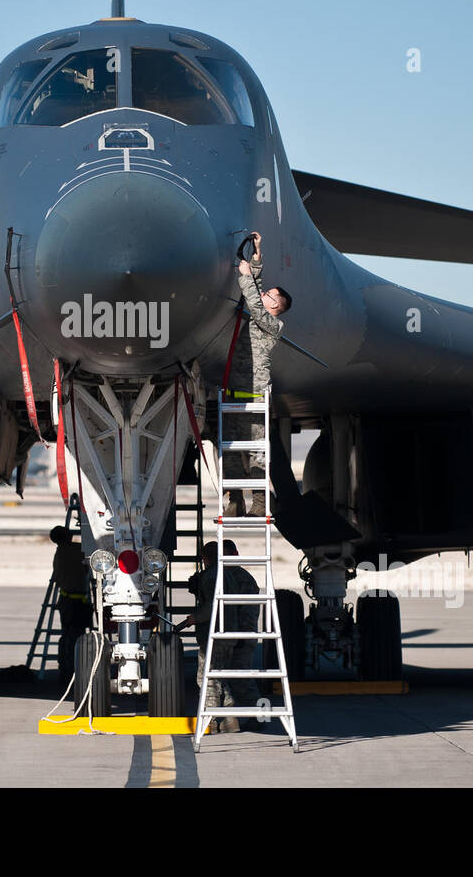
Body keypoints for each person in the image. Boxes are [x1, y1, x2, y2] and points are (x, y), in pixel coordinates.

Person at [225, 231, 292, 518]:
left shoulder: (272, 325)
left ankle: (261, 500)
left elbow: (254, 300)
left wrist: (244, 277)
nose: (264, 295)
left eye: (269, 296)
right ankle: (235, 498)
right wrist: (256, 258)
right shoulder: (262, 317)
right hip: (236, 392)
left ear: (275, 306)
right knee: (228, 447)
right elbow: (257, 292)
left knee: (255, 452)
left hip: (253, 395)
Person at [189, 540, 261, 733]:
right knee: (229, 679)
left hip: (238, 634)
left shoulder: (238, 578)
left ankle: (249, 716)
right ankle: (232, 720)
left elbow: (238, 610)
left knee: (229, 678)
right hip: (235, 634)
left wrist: (240, 637)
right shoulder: (229, 576)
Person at [49, 525, 90, 689]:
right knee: (77, 637)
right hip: (78, 602)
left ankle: (65, 670)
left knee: (66, 635)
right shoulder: (76, 550)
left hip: (66, 601)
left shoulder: (59, 554)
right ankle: (74, 671)